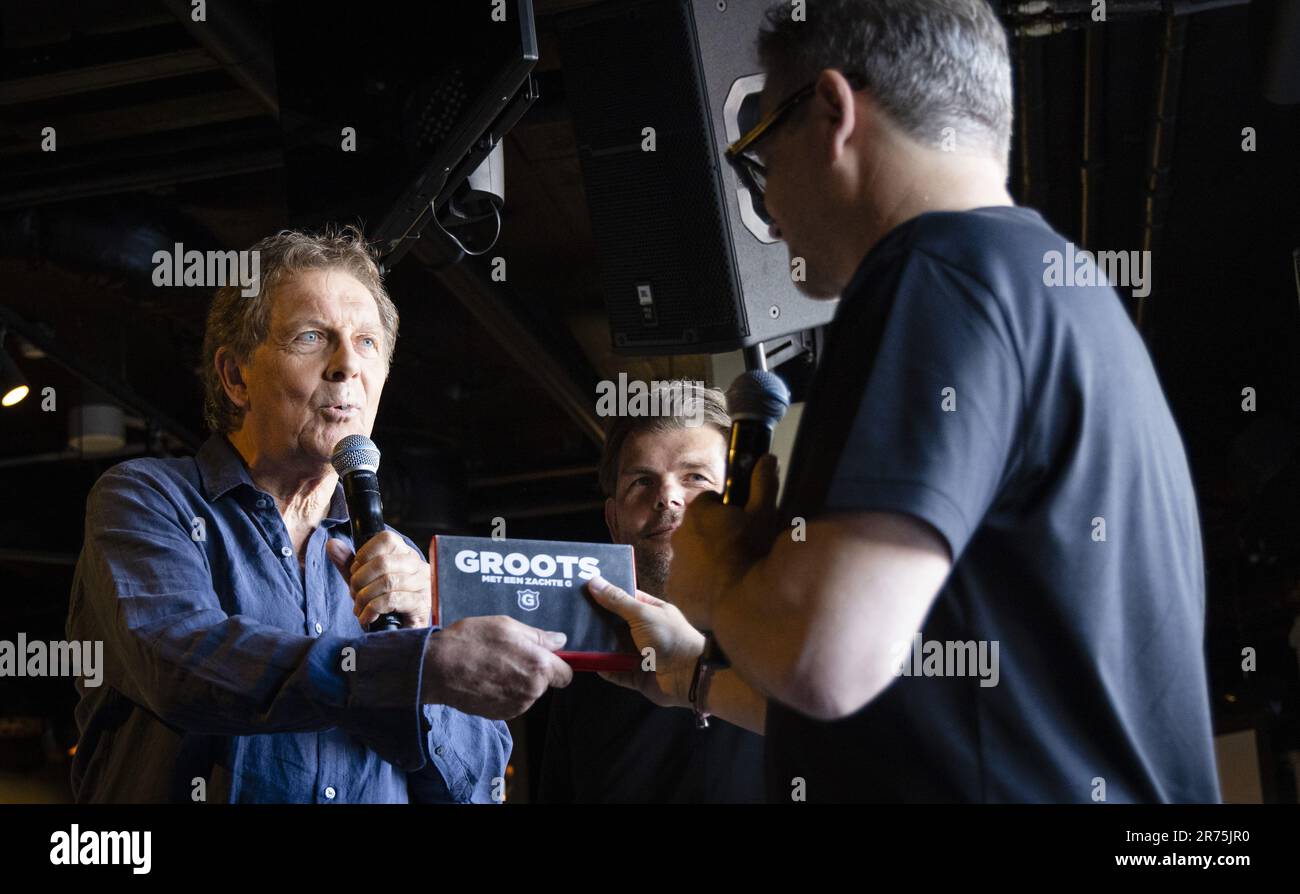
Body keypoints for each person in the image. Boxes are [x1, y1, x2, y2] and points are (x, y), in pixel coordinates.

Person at [589, 0, 1220, 802]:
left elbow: (825, 660)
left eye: (760, 154)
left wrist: (717, 582)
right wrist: (695, 681)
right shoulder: (1055, 290)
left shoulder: (934, 276)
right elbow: (917, 702)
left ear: (831, 113)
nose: (768, 205)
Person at [67, 226, 572, 803]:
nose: (346, 366)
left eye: (367, 343)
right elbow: (179, 664)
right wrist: (413, 666)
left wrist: (418, 635)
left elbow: (477, 784)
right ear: (235, 377)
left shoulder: (402, 563)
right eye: (311, 337)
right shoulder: (148, 499)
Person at [539, 383, 766, 802]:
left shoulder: (798, 635)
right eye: (642, 482)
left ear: (743, 498)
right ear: (613, 520)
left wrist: (698, 675)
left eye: (695, 476)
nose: (668, 497)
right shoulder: (591, 664)